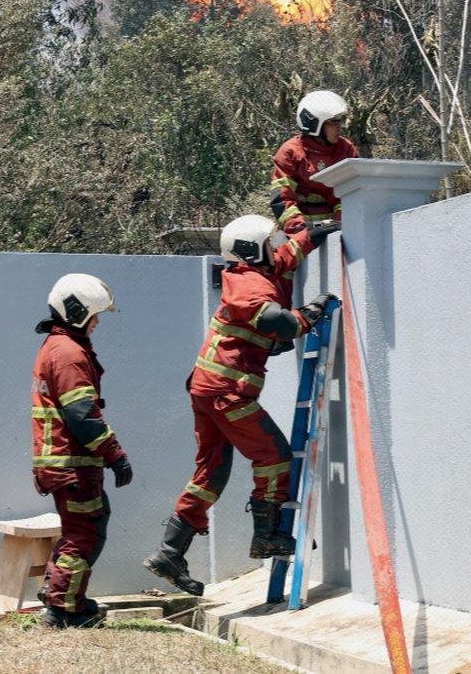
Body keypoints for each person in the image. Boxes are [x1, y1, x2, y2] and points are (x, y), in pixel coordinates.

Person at [143, 215, 335, 597]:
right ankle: (267, 537)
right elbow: (282, 323)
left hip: (210, 388)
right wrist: (312, 312)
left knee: (211, 472)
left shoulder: (251, 271)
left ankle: (169, 552)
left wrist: (310, 235)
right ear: (251, 250)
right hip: (226, 391)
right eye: (267, 242)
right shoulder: (247, 284)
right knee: (275, 456)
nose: (274, 247)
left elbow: (282, 258)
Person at [31, 273, 133, 629]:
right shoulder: (68, 354)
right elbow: (83, 415)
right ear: (77, 312)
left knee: (84, 526)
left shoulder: (58, 348)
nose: (98, 322)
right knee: (84, 532)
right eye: (95, 315)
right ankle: (63, 611)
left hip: (64, 462)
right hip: (72, 464)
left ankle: (60, 594)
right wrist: (116, 455)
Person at [270, 90, 358, 234]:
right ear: (314, 124)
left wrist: (338, 224)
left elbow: (349, 194)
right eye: (333, 122)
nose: (339, 127)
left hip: (339, 231)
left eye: (340, 121)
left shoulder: (346, 149)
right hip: (298, 234)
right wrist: (300, 230)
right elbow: (283, 198)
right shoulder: (290, 152)